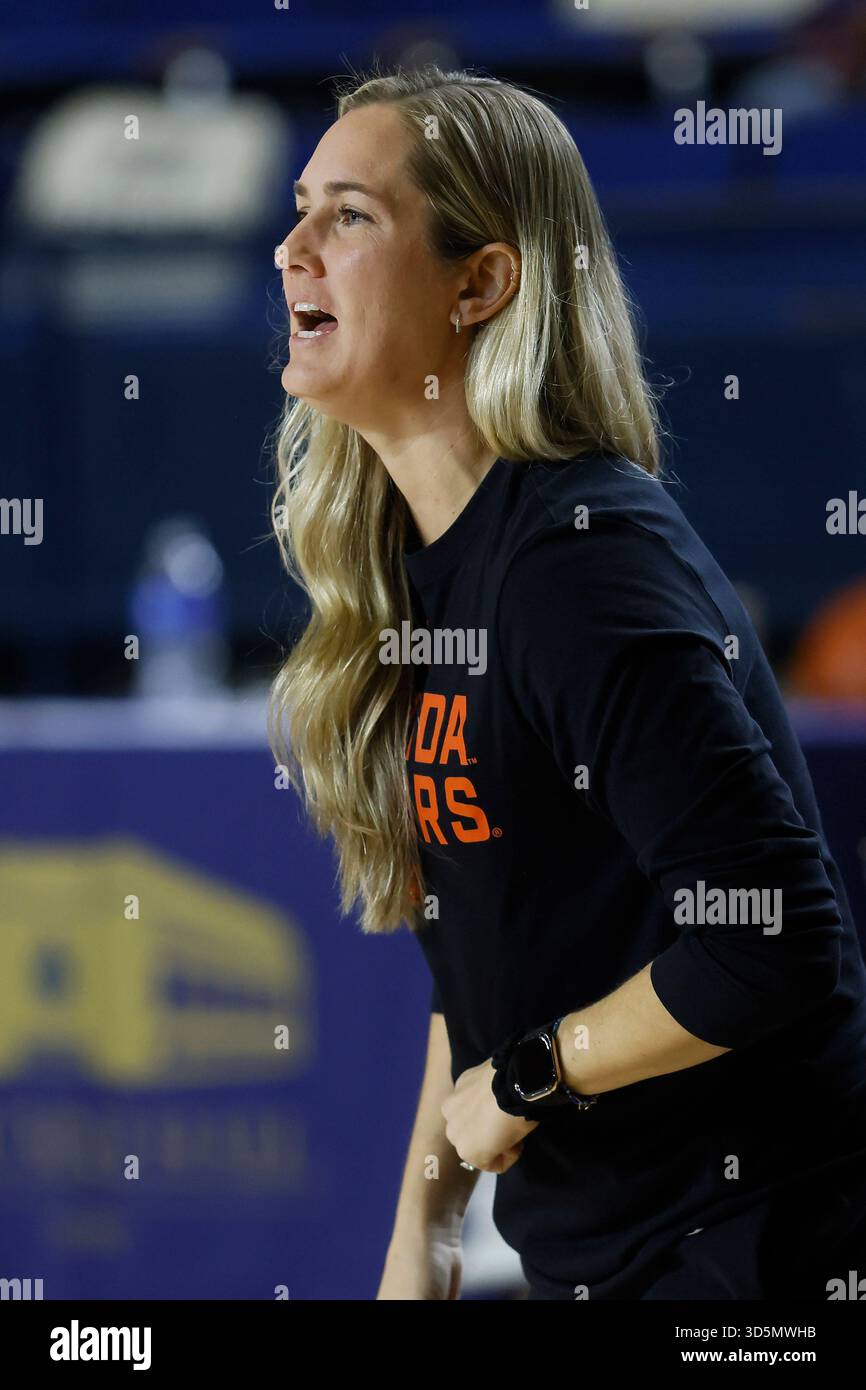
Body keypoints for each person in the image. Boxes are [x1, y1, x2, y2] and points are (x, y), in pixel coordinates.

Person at [268, 63, 866, 1301]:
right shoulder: (427, 568)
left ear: (481, 281)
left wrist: (539, 1071)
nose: (290, 249)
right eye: (298, 207)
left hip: (756, 1257)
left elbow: (771, 941)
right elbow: (482, 983)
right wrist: (419, 1251)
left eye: (349, 216)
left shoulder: (576, 566)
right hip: (609, 1260)